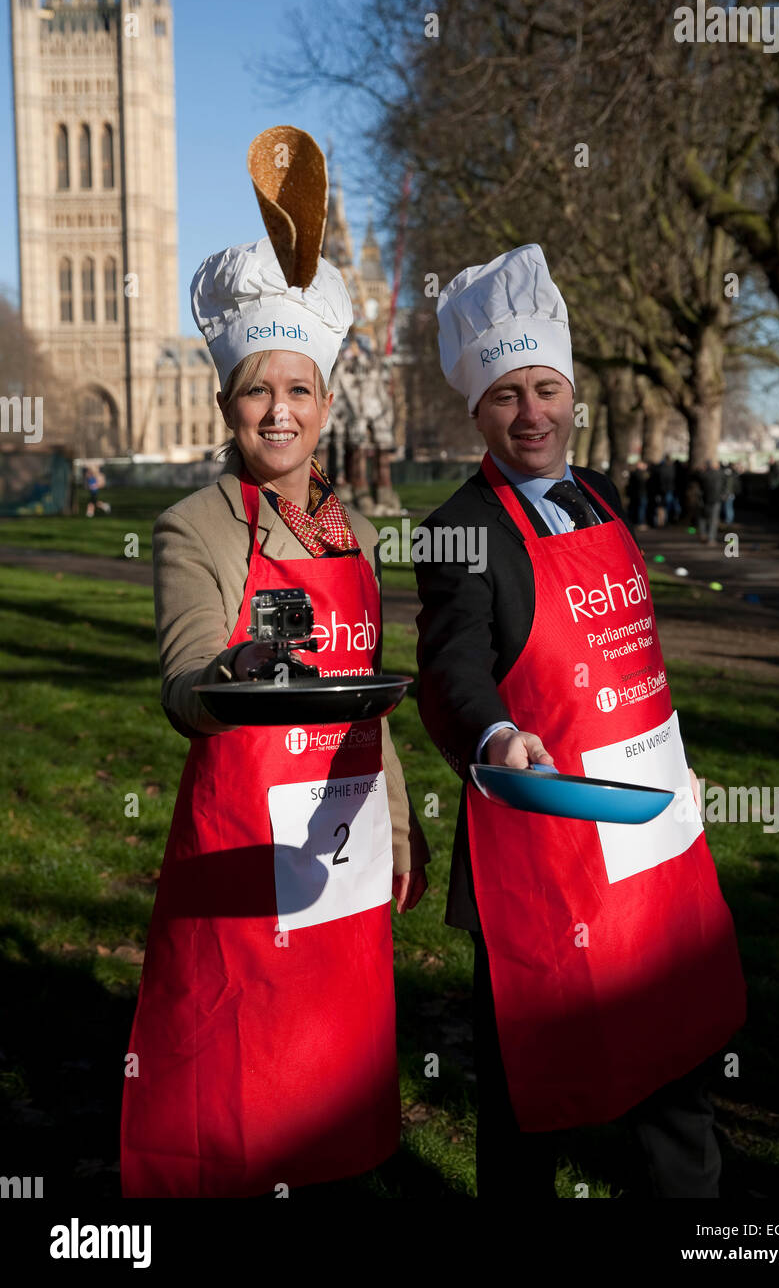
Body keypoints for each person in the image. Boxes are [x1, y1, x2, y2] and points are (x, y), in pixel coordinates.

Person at [413, 243, 746, 1199]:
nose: (533, 415)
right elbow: (450, 668)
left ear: (573, 395)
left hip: (650, 832)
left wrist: (674, 760)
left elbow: (630, 655)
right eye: (508, 395)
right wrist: (493, 737)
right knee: (533, 1093)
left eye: (547, 390)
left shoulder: (599, 496)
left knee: (676, 1080)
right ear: (478, 410)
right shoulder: (458, 526)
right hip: (541, 852)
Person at [121, 233, 429, 1198]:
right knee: (238, 1079)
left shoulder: (361, 534)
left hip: (342, 848)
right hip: (243, 847)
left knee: (333, 1079)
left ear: (326, 407)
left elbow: (370, 696)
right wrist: (238, 668)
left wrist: (404, 825)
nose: (279, 412)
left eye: (298, 391)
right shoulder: (195, 525)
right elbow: (183, 687)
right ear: (228, 408)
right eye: (259, 392)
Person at [698, 461, 725, 543]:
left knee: (703, 518)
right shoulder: (720, 474)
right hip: (716, 499)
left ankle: (703, 535)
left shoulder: (703, 475)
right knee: (713, 520)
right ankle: (711, 538)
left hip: (705, 499)